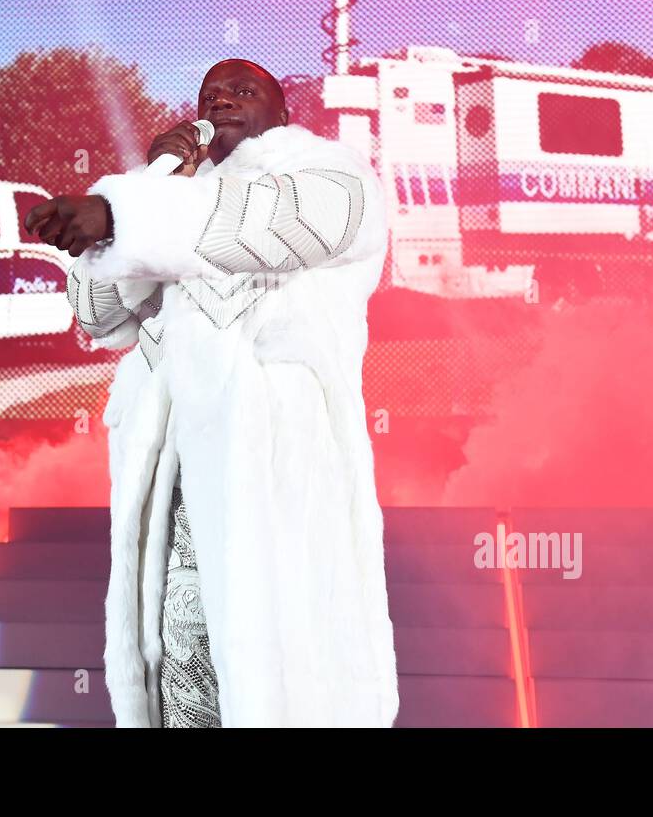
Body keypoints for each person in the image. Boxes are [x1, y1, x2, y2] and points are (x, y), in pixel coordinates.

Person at [23, 58, 399, 727]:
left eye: (242, 89)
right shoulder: (169, 199)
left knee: (283, 662)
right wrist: (151, 182)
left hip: (276, 467)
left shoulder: (333, 176)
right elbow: (98, 312)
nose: (221, 99)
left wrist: (122, 211)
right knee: (177, 663)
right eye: (208, 94)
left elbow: (266, 222)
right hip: (173, 479)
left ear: (282, 111)